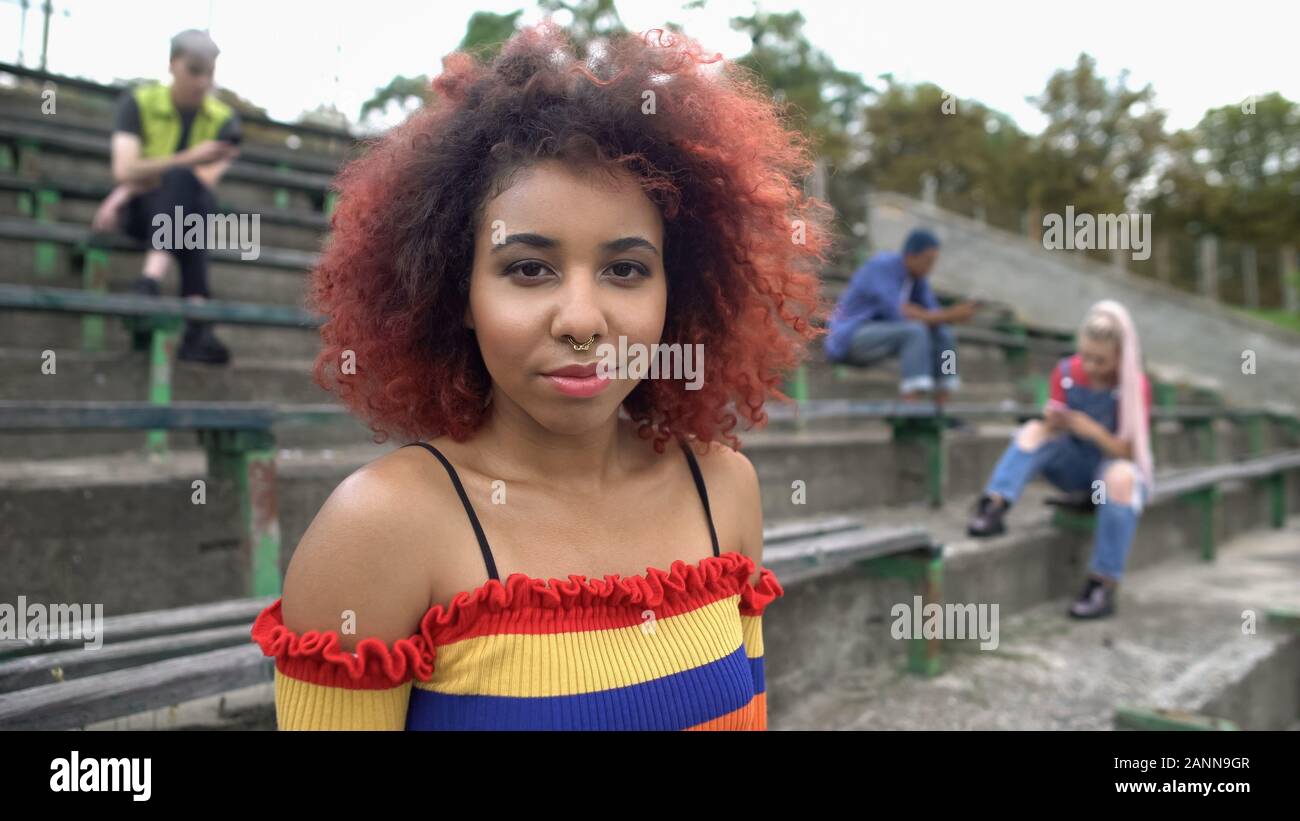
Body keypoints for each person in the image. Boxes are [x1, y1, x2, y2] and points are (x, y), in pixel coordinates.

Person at [249, 21, 833, 730]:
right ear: (455, 293)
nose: (582, 320)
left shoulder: (725, 490)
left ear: (675, 292)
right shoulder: (379, 529)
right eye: (528, 268)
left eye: (626, 269)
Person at [966, 300, 1155, 619]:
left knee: (1121, 477)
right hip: (1075, 466)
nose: (1092, 367)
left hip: (1110, 467)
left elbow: (1132, 453)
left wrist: (1093, 430)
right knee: (1032, 431)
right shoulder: (1067, 372)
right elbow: (1052, 422)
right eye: (1087, 357)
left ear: (1121, 355)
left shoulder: (1134, 386)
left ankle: (1102, 584)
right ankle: (995, 505)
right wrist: (1053, 421)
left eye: (1101, 360)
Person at [92, 28, 241, 365]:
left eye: (210, 72)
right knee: (191, 197)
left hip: (184, 211)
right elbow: (123, 169)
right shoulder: (138, 101)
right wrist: (185, 159)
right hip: (140, 214)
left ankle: (149, 282)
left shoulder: (225, 120)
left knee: (193, 196)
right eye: (195, 70)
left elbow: (202, 179)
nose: (203, 81)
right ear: (173, 64)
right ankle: (197, 322)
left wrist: (128, 186)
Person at [823, 228, 978, 404]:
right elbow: (898, 313)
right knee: (915, 332)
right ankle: (911, 409)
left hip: (884, 335)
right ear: (911, 255)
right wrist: (947, 315)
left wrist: (945, 316)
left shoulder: (917, 278)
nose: (931, 268)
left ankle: (943, 400)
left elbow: (934, 315)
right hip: (849, 337)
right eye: (928, 261)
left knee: (944, 334)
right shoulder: (881, 266)